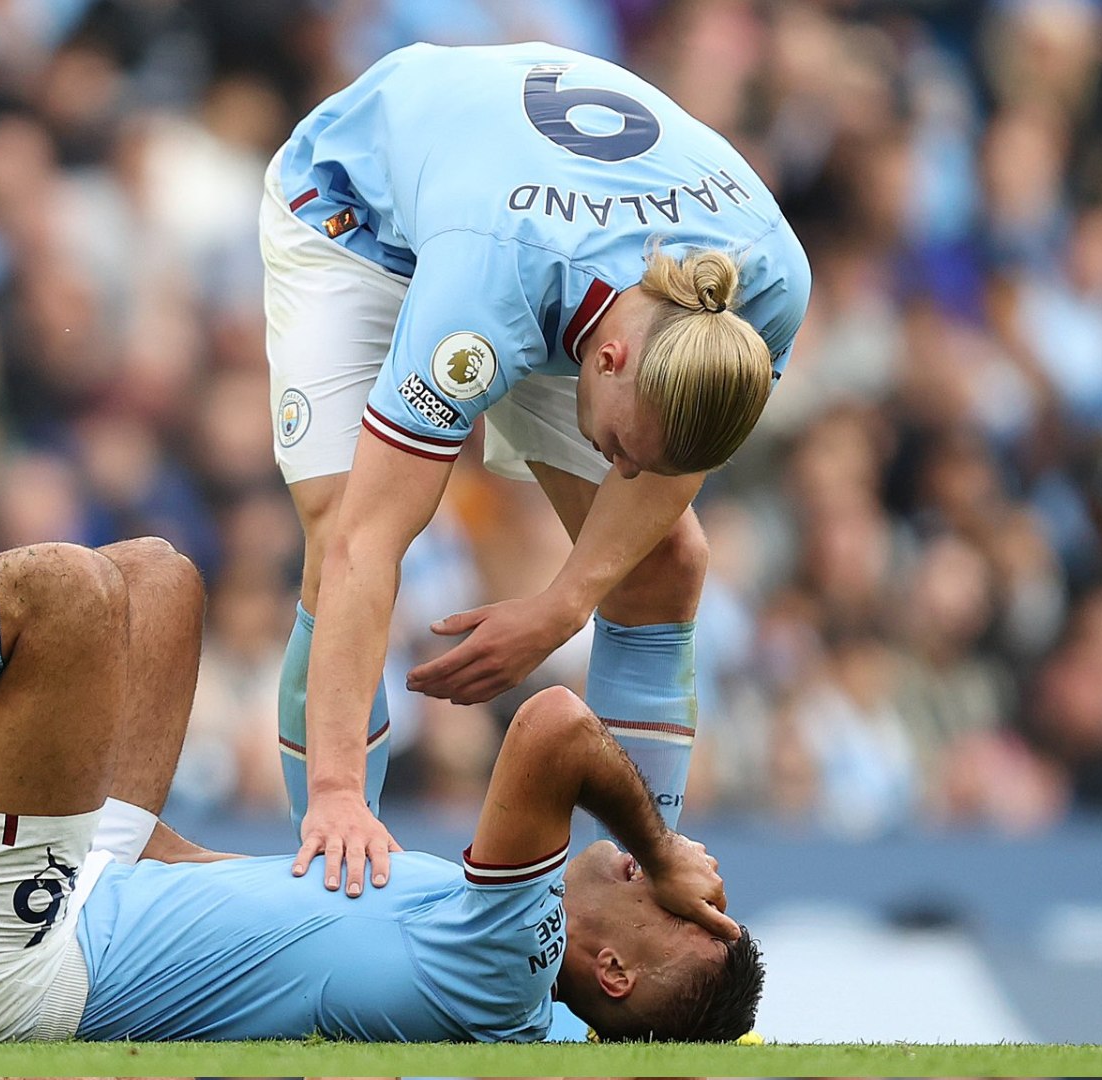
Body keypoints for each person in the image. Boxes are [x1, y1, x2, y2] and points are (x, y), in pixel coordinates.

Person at [0, 539, 761, 1042]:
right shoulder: (512, 977)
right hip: (92, 889)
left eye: (682, 912)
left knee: (63, 602)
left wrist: (654, 846)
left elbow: (553, 727)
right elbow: (214, 898)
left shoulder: (509, 961)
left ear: (612, 973)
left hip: (2, 963)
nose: (678, 877)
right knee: (158, 581)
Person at [263, 43, 811, 895]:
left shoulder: (766, 282)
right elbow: (366, 548)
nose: (626, 469)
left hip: (532, 225)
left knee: (663, 563)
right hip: (355, 209)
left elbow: (667, 468)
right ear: (611, 358)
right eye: (626, 447)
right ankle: (332, 861)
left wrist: (564, 606)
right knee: (342, 522)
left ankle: (641, 884)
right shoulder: (485, 294)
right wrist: (334, 789)